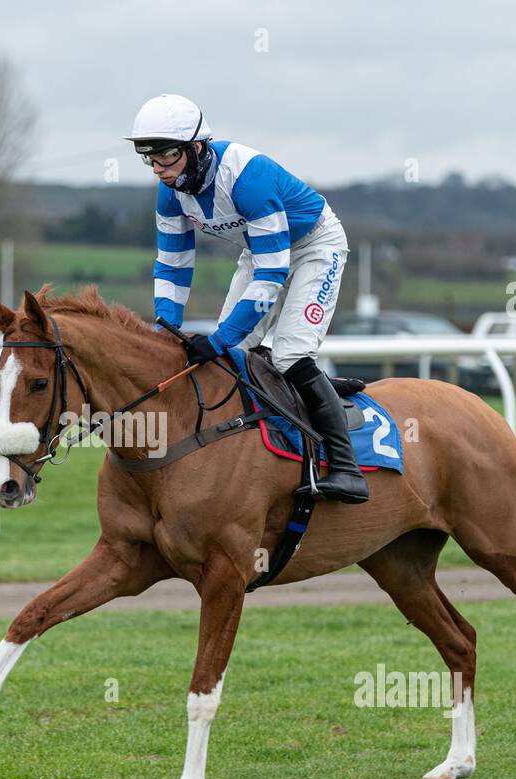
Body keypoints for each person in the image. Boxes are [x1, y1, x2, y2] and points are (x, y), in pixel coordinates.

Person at [127, 93, 368, 503]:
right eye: (149, 158)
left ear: (196, 147)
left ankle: (348, 470)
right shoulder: (170, 193)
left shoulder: (246, 177)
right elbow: (172, 265)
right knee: (235, 354)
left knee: (289, 354)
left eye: (166, 156)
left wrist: (218, 338)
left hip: (314, 246)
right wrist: (165, 327)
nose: (158, 170)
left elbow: (272, 274)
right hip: (261, 251)